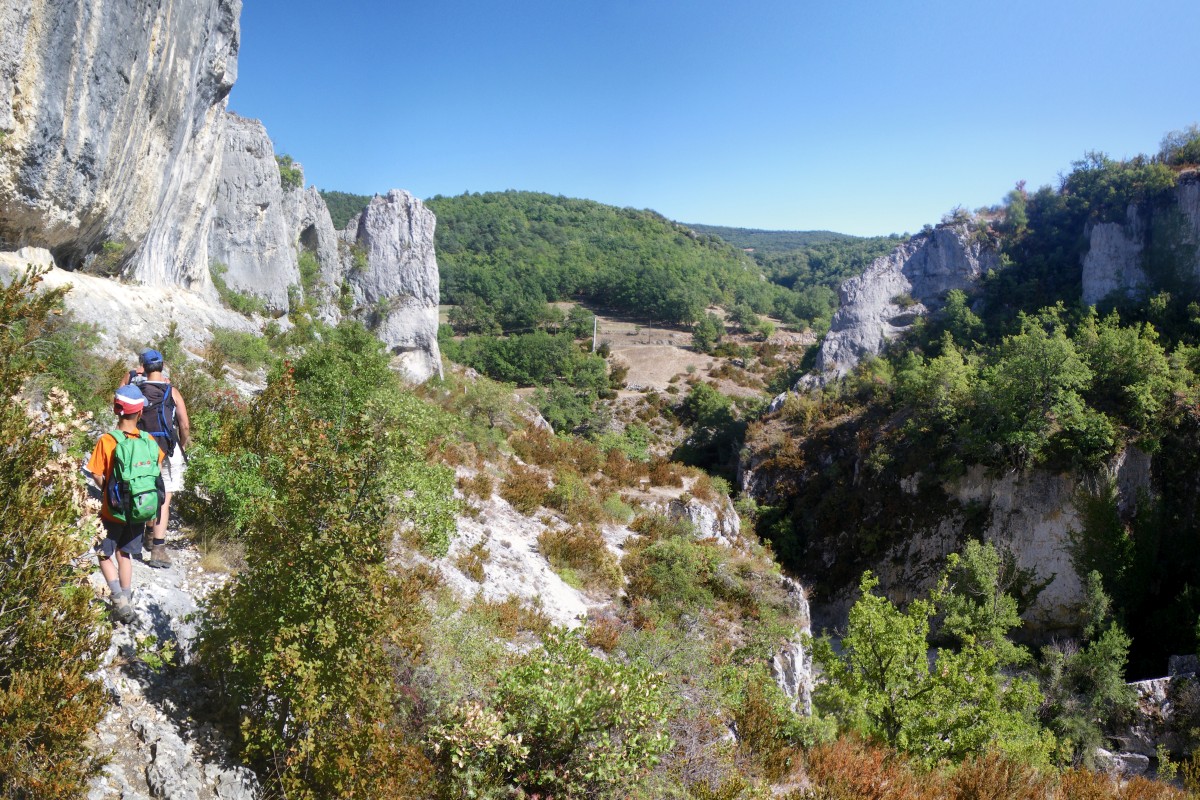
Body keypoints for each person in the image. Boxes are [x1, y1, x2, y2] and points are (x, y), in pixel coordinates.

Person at [87, 385, 163, 624]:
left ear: (116, 410)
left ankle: (119, 599)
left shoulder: (107, 441)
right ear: (140, 413)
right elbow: (156, 471)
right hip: (140, 510)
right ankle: (127, 599)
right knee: (125, 554)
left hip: (113, 510)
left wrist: (108, 489)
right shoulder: (149, 440)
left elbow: (97, 475)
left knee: (102, 552)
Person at [136, 348, 190, 568]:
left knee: (144, 490)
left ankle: (145, 531)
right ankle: (157, 548)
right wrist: (181, 445)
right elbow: (184, 425)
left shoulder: (135, 390)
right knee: (164, 499)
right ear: (162, 365)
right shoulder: (172, 392)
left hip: (141, 449)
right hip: (166, 449)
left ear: (143, 366)